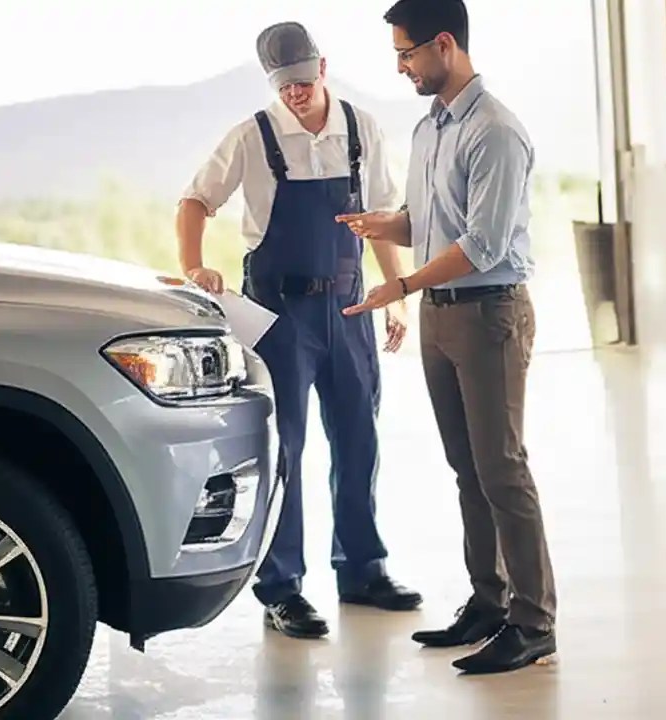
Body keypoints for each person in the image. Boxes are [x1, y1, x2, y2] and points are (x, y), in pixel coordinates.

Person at [175, 20, 422, 640]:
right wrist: (193, 266)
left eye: (303, 82)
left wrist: (394, 293)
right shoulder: (251, 137)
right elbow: (194, 202)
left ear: (323, 68)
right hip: (280, 319)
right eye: (284, 87)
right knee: (286, 450)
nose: (296, 95)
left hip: (349, 308)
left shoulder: (362, 129)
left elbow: (383, 220)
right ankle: (282, 588)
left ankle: (363, 570)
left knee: (359, 441)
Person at [339, 0, 558, 674]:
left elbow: (483, 243)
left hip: (488, 313)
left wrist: (399, 287)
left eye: (407, 53)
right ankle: (488, 604)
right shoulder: (431, 128)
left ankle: (534, 621)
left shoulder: (494, 131)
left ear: (444, 44)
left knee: (501, 468)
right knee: (468, 468)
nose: (401, 66)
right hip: (442, 311)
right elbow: (429, 221)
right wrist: (385, 225)